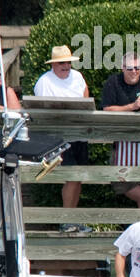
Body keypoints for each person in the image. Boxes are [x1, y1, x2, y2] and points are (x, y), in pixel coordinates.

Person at [33, 45, 90, 232]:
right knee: (71, 175)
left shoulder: (78, 77)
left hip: (80, 133)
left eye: (68, 62)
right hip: (58, 136)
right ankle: (66, 220)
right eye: (61, 63)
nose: (66, 66)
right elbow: (42, 111)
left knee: (78, 177)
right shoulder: (44, 81)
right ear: (53, 65)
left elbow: (86, 100)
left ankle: (71, 219)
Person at [101, 52, 140, 209]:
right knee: (121, 181)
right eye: (130, 68)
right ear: (122, 68)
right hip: (125, 144)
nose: (134, 72)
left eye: (137, 68)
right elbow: (107, 109)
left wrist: (139, 112)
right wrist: (133, 107)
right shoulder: (113, 82)